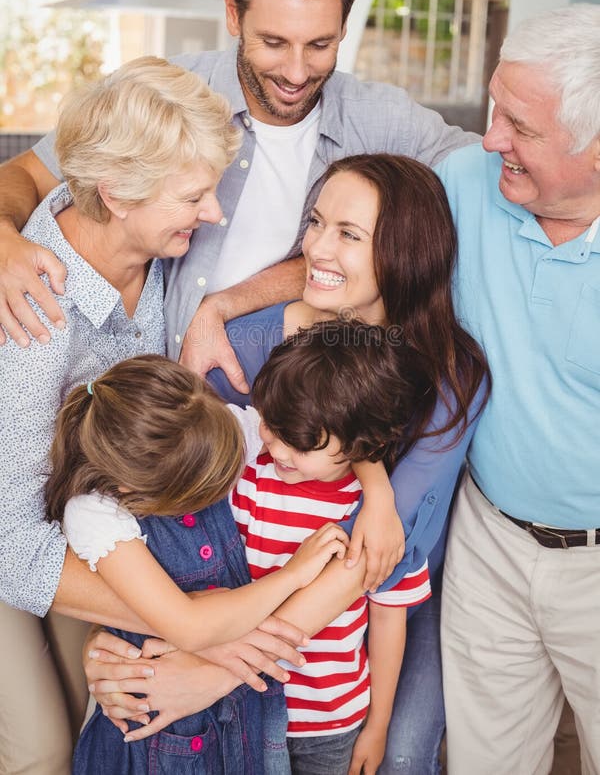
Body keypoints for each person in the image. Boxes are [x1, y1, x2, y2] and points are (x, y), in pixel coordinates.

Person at [85, 154, 491, 774]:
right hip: (244, 593)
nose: (318, 250)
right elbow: (178, 513)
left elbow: (372, 556)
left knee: (402, 756)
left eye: (349, 235)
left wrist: (213, 670)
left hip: (386, 605)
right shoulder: (254, 343)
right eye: (317, 223)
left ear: (405, 253)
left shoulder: (451, 376)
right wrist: (121, 643)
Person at [0, 0, 477, 391]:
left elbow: (491, 169)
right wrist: (2, 236)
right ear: (233, 12)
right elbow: (25, 174)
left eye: (319, 45)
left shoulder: (383, 120)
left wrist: (226, 303)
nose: (295, 72)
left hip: (286, 402)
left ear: (343, 27)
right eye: (273, 42)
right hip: (164, 402)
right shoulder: (168, 94)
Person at [0, 56, 313, 775]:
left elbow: (325, 263)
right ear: (117, 194)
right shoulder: (36, 314)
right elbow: (14, 549)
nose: (213, 214)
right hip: (11, 536)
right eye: (194, 197)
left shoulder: (161, 252)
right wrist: (193, 631)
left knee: (120, 707)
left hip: (85, 529)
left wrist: (223, 305)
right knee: (44, 749)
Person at [432, 3, 600, 774]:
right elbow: (354, 253)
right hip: (490, 539)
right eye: (497, 107)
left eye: (521, 127)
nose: (491, 135)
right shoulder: (465, 182)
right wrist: (227, 307)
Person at [46, 354, 350, 774]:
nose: (236, 478)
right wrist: (292, 575)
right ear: (137, 487)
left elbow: (328, 417)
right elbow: (188, 625)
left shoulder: (205, 427)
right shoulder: (96, 514)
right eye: (211, 485)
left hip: (240, 724)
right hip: (152, 745)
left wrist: (376, 482)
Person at [231, 320, 433, 775]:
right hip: (244, 706)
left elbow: (387, 622)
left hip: (332, 718)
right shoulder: (249, 476)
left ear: (364, 444)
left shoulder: (377, 521)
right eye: (270, 425)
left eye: (299, 443)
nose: (277, 450)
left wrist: (378, 726)